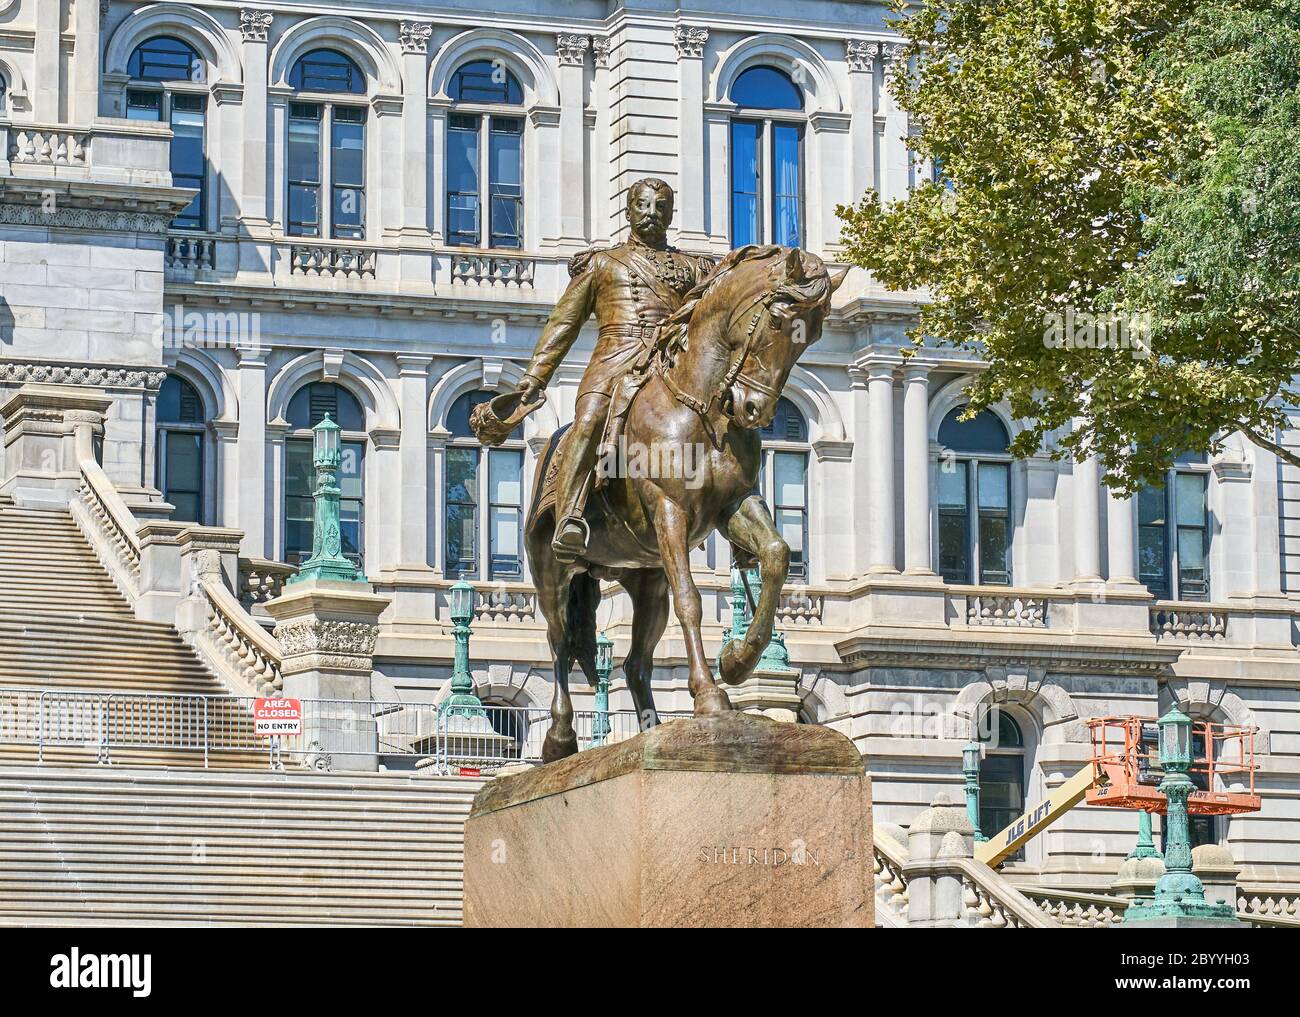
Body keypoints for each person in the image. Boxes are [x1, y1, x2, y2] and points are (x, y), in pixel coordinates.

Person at [515, 178, 714, 562]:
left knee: (727, 420)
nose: (651, 213)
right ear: (628, 211)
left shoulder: (692, 268)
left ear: (671, 215)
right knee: (589, 420)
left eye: (660, 207)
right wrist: (534, 378)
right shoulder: (603, 263)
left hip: (669, 360)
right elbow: (562, 326)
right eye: (643, 205)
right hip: (615, 357)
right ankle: (569, 515)